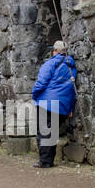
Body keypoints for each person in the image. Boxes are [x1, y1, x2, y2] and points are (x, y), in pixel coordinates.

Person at [31, 40, 78, 169]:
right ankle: (48, 160)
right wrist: (69, 108)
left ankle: (45, 161)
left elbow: (41, 83)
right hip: (62, 104)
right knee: (52, 132)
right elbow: (71, 89)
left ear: (55, 51)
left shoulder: (50, 64)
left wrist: (35, 96)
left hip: (47, 102)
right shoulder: (71, 67)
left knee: (44, 132)